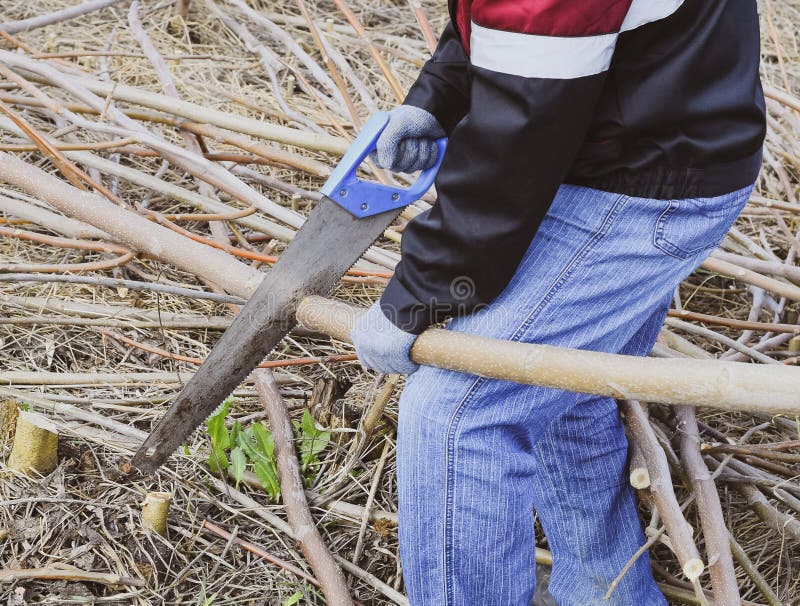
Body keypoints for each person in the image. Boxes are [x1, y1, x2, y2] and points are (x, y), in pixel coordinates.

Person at [349, 1, 766, 604]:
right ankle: (608, 595)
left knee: (458, 413)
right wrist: (437, 93)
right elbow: (517, 22)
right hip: (649, 138)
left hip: (641, 180)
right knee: (565, 396)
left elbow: (518, 136)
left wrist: (419, 297)